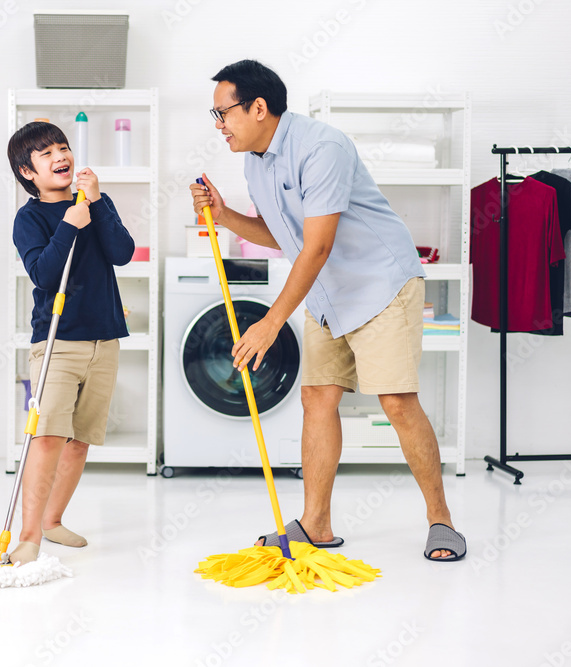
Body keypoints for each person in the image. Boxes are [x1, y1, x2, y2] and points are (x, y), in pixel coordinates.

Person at [189, 60, 466, 561]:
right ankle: (315, 524)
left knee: (397, 403)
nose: (218, 125)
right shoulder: (254, 161)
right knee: (317, 398)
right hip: (324, 293)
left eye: (222, 112)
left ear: (258, 107)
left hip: (379, 285)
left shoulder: (323, 147)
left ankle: (441, 519)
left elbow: (316, 246)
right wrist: (224, 215)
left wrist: (271, 322)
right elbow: (285, 236)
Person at [7, 122, 134, 565]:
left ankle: (52, 521)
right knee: (46, 438)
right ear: (28, 172)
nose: (60, 156)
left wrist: (95, 203)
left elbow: (122, 253)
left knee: (79, 441)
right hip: (57, 344)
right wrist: (68, 224)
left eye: (62, 147)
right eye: (46, 153)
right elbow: (44, 274)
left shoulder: (96, 202)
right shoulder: (29, 219)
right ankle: (28, 538)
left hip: (105, 340)